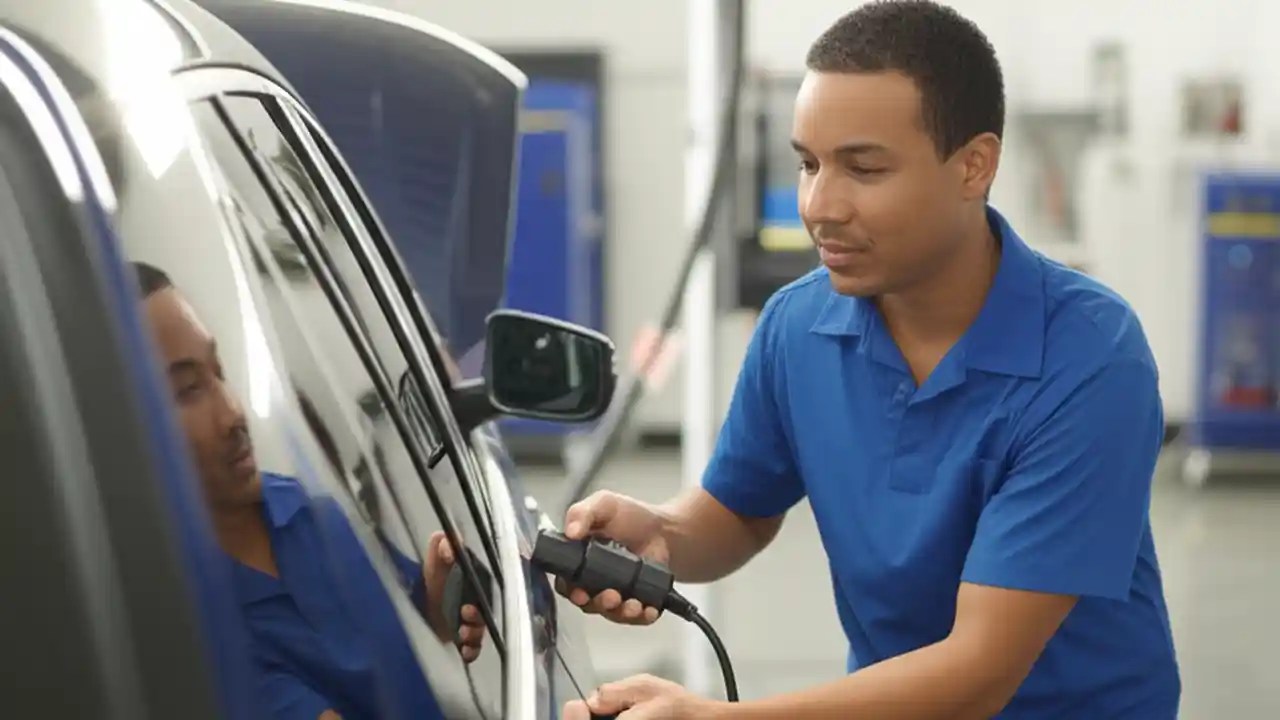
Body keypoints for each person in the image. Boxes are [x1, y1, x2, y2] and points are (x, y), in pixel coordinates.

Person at [562, 2, 1179, 718]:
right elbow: (740, 511)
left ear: (973, 166)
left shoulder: (1090, 359)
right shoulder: (799, 326)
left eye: (863, 167)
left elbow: (980, 672)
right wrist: (663, 534)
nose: (820, 205)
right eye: (808, 164)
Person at [133, 261, 486, 720]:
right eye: (188, 390)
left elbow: (410, 612)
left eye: (218, 372)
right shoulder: (193, 624)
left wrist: (439, 593)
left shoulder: (304, 509)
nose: (234, 413)